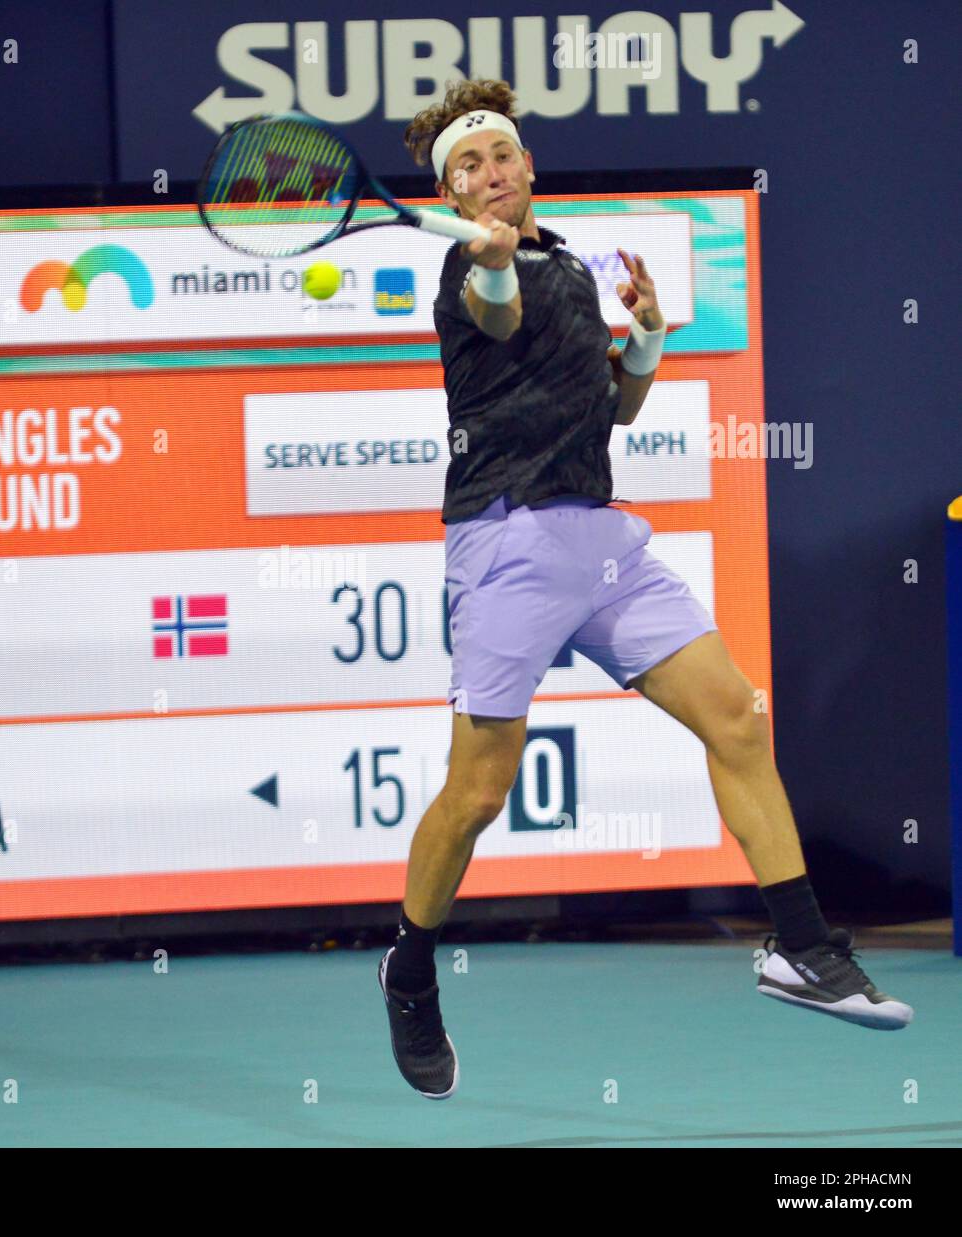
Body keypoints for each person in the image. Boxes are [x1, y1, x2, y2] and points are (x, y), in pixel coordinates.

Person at [378, 78, 913, 1101]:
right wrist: (492, 268)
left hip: (604, 542)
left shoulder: (574, 267)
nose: (489, 176)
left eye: (500, 157)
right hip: (506, 544)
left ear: (527, 166)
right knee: (479, 791)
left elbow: (616, 409)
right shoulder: (465, 272)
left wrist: (650, 339)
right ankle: (409, 969)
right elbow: (492, 321)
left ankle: (800, 946)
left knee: (739, 720)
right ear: (449, 191)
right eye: (466, 168)